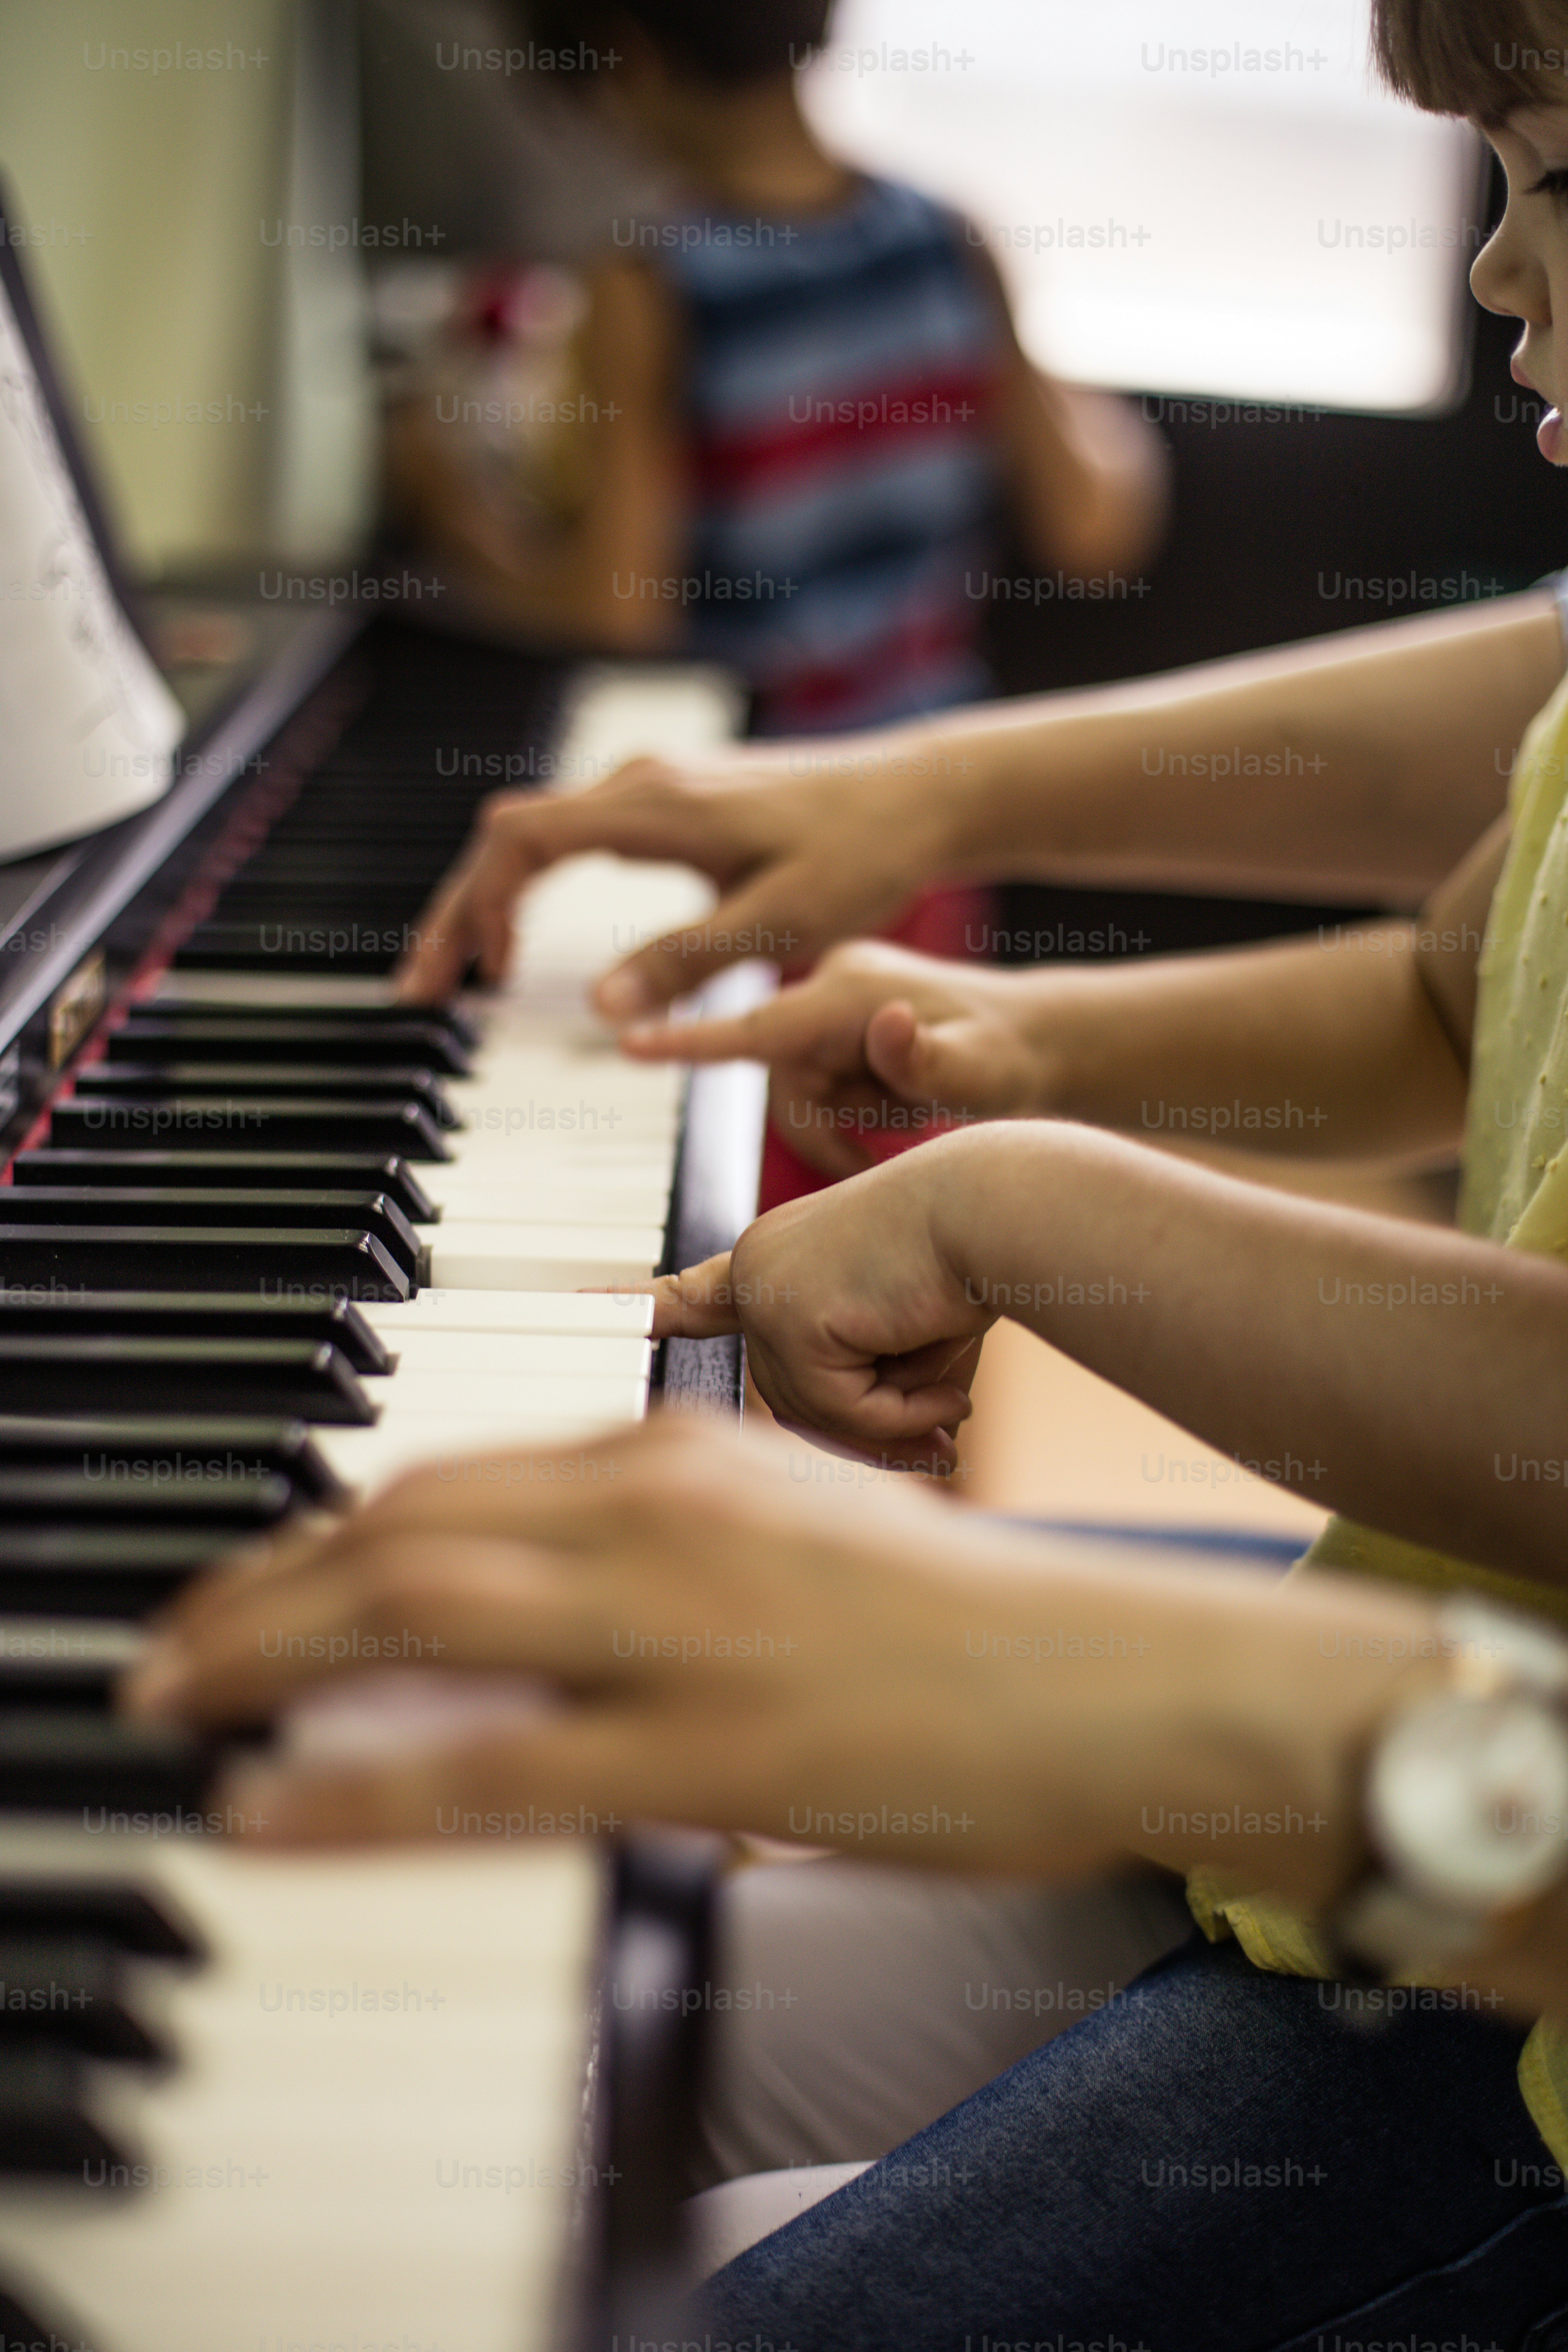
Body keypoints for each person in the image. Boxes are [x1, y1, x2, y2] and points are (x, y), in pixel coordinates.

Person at [126, 1, 1568, 2337]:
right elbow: (1448, 988)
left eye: (1554, 175)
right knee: (505, 2061)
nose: (1496, 265)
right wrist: (1013, 1045)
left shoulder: (650, 283)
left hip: (1503, 1992)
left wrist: (1024, 1212)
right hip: (1405, 1748)